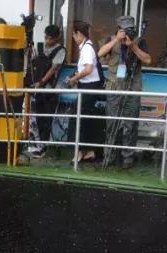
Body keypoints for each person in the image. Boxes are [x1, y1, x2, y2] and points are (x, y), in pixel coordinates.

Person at [98, 16, 152, 168]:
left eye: (130, 29)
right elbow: (100, 54)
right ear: (118, 29)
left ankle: (127, 159)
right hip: (114, 88)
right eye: (124, 29)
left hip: (132, 89)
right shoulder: (111, 39)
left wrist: (133, 46)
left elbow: (148, 60)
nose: (128, 32)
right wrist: (116, 40)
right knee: (111, 124)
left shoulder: (139, 41)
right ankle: (109, 157)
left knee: (130, 125)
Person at [66, 21, 105, 164]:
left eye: (74, 35)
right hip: (87, 88)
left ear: (79, 34)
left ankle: (81, 152)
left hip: (89, 89)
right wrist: (75, 76)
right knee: (85, 121)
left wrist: (74, 79)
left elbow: (88, 69)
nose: (73, 38)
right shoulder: (86, 48)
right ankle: (88, 152)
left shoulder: (87, 49)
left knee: (78, 120)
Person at [27, 25, 67, 157]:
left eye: (50, 39)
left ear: (57, 37)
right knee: (37, 117)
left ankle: (43, 147)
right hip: (38, 89)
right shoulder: (40, 48)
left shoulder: (61, 51)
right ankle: (36, 144)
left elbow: (54, 69)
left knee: (46, 119)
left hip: (50, 89)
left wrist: (42, 82)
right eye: (45, 38)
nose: (47, 41)